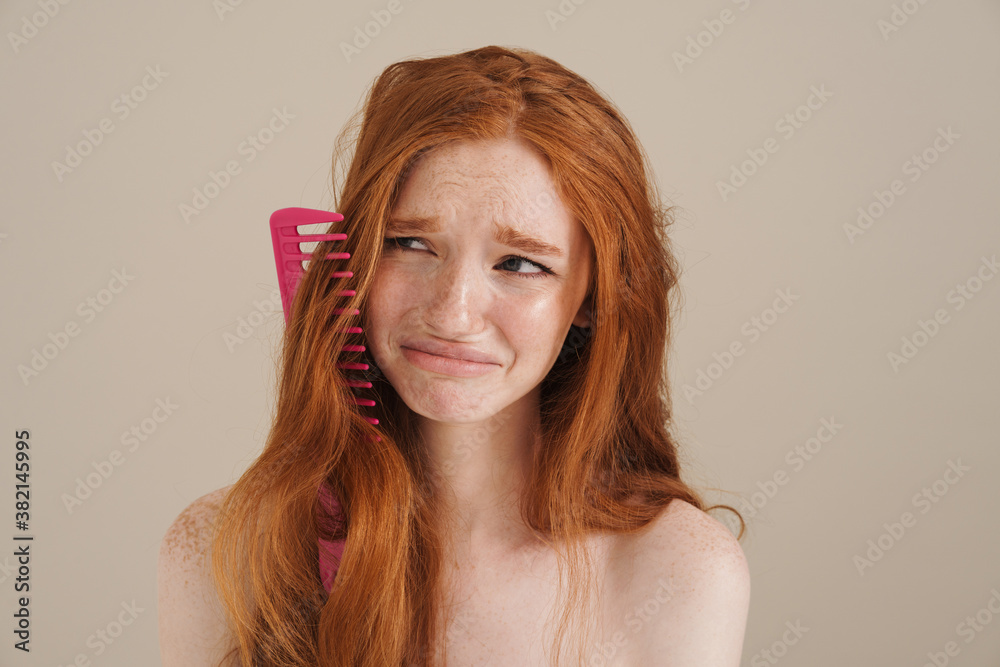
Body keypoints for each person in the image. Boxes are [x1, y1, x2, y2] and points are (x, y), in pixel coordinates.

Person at [158, 45, 750, 666]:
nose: (451, 314)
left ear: (592, 297)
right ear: (354, 257)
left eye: (519, 263)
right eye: (410, 243)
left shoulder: (677, 572)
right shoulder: (220, 551)